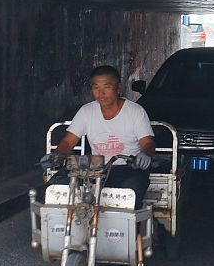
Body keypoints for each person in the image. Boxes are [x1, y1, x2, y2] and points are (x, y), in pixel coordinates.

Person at [43, 64, 156, 204]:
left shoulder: (135, 112)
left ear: (118, 87)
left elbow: (148, 143)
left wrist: (145, 154)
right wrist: (57, 155)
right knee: (56, 190)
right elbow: (67, 142)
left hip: (128, 169)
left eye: (106, 87)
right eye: (96, 87)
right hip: (95, 169)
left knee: (127, 197)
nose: (101, 93)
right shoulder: (86, 111)